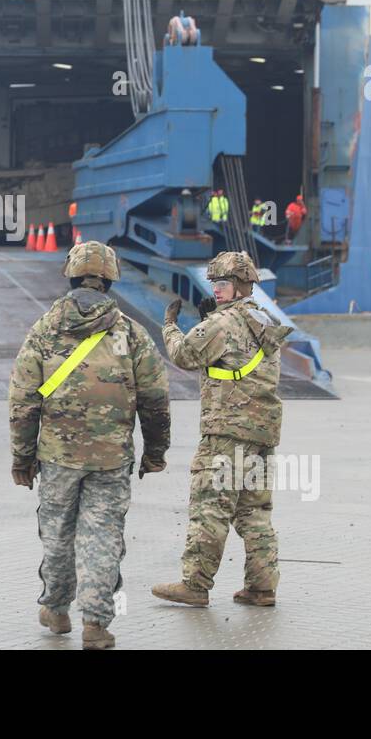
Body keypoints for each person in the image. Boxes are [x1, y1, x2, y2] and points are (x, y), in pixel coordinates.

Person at [8, 241, 171, 649]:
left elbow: (24, 400)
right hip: (112, 458)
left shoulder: (45, 329)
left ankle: (57, 610)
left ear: (70, 274)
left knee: (58, 534)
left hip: (58, 457)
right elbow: (155, 399)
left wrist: (22, 458)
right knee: (102, 536)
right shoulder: (131, 334)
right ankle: (96, 625)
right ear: (110, 279)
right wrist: (155, 452)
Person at [151, 251, 292, 609]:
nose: (217, 290)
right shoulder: (265, 320)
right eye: (214, 283)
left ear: (242, 285)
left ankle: (195, 585)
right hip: (261, 433)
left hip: (226, 431)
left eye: (224, 284)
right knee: (254, 512)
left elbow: (183, 356)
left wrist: (169, 325)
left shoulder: (223, 323)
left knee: (210, 506)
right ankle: (262, 587)